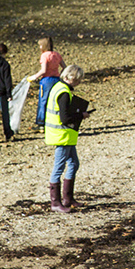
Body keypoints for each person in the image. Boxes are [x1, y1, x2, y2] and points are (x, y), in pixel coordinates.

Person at [45, 65, 91, 213]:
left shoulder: (58, 87)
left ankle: (68, 199)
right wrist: (81, 115)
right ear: (69, 77)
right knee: (58, 169)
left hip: (66, 135)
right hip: (62, 136)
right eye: (76, 80)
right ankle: (56, 203)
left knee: (74, 164)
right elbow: (65, 118)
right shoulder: (64, 93)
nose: (78, 83)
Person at [28, 37, 67, 132]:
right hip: (56, 79)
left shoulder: (44, 56)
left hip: (46, 80)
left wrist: (34, 77)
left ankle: (41, 123)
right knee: (54, 101)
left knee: (43, 101)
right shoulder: (57, 55)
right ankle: (54, 121)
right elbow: (64, 67)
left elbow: (43, 70)